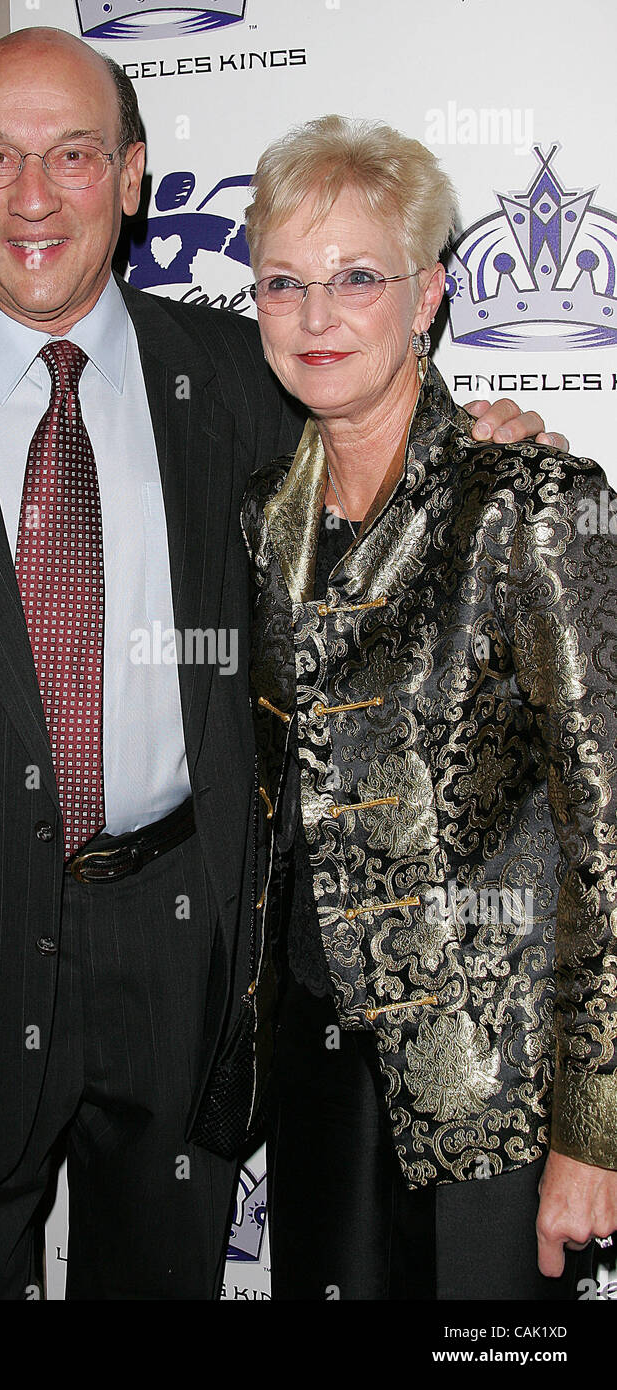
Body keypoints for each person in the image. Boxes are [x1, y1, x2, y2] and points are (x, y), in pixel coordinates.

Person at [0, 28, 560, 1300]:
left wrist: (496, 439)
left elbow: (388, 444)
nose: (34, 195)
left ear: (131, 177)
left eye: (73, 154)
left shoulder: (241, 374)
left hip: (185, 952)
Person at [240, 114, 617, 1300]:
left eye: (356, 277)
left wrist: (593, 1127)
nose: (315, 316)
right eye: (282, 284)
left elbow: (607, 833)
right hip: (311, 1055)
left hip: (490, 1083)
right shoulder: (263, 517)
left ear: (427, 297)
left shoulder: (528, 500)